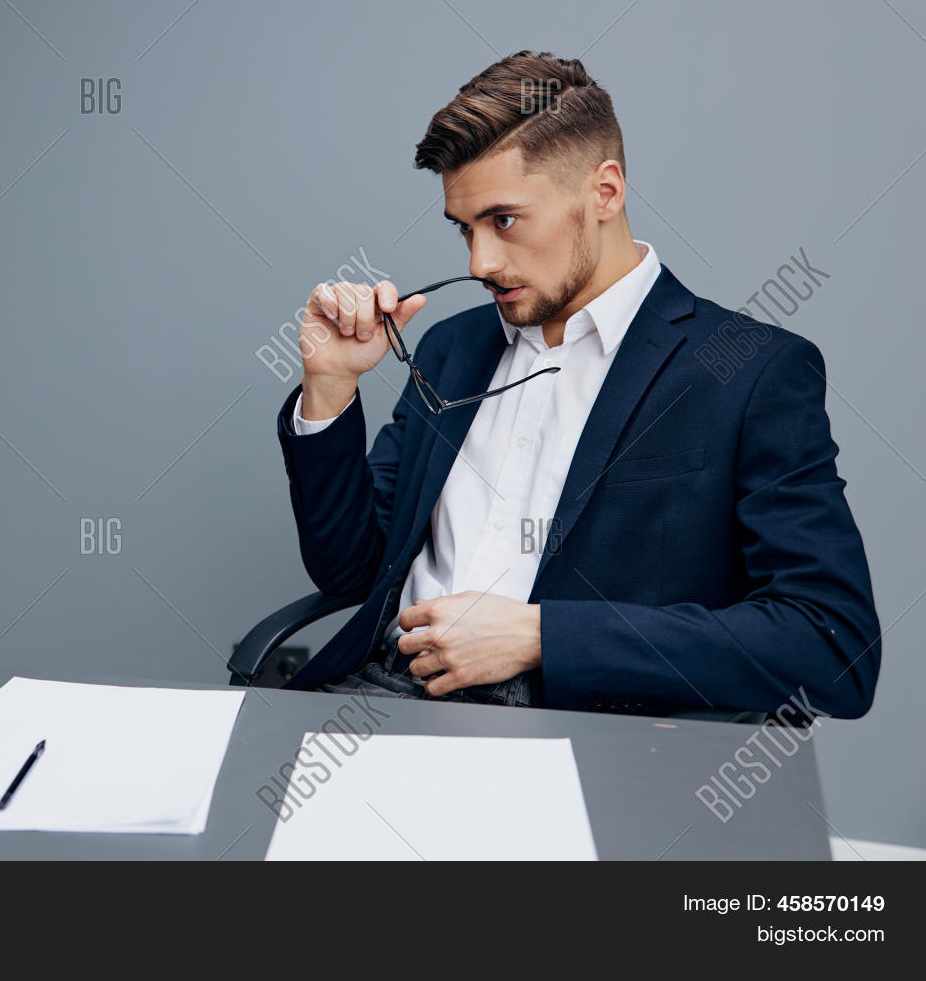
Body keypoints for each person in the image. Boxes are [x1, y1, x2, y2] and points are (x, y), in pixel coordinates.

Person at [275, 50, 879, 720]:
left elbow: (832, 646)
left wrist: (542, 637)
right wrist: (328, 388)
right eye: (464, 229)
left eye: (503, 220)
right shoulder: (451, 350)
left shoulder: (748, 371)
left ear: (605, 191)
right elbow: (350, 573)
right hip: (381, 701)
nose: (481, 263)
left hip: (576, 734)